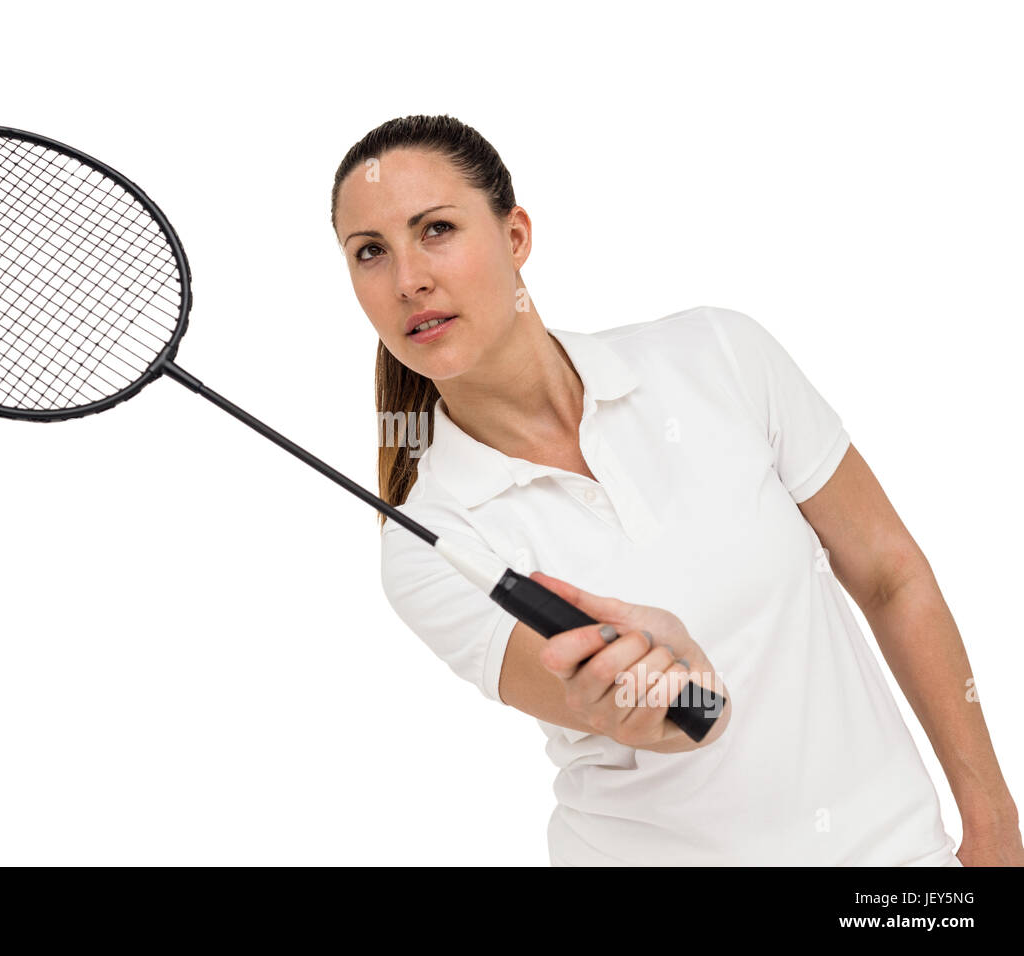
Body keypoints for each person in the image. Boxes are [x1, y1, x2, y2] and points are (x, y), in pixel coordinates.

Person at [329, 114, 1023, 866]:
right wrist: (671, 691)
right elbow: (659, 719)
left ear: (516, 236)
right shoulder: (427, 543)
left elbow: (891, 576)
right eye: (371, 252)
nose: (408, 280)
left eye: (435, 229)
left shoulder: (719, 355)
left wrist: (993, 824)